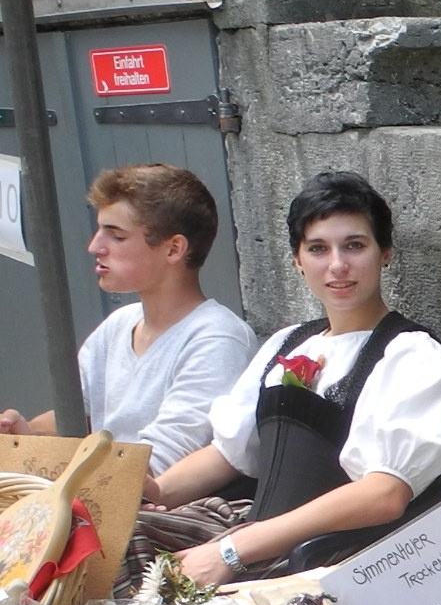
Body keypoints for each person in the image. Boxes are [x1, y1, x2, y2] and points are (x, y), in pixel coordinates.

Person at [151, 169, 441, 585]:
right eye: (318, 248)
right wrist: (152, 493)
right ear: (297, 261)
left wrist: (233, 550)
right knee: (121, 542)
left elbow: (385, 494)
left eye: (354, 245)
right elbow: (230, 452)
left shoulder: (409, 354)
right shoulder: (288, 342)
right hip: (256, 537)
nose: (337, 265)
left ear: (385, 253)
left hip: (334, 561)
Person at [0, 164, 253, 472]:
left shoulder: (218, 338)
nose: (95, 247)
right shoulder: (119, 324)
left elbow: (161, 458)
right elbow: (78, 415)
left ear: (174, 249)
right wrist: (25, 434)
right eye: (99, 231)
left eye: (116, 236)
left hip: (153, 497)